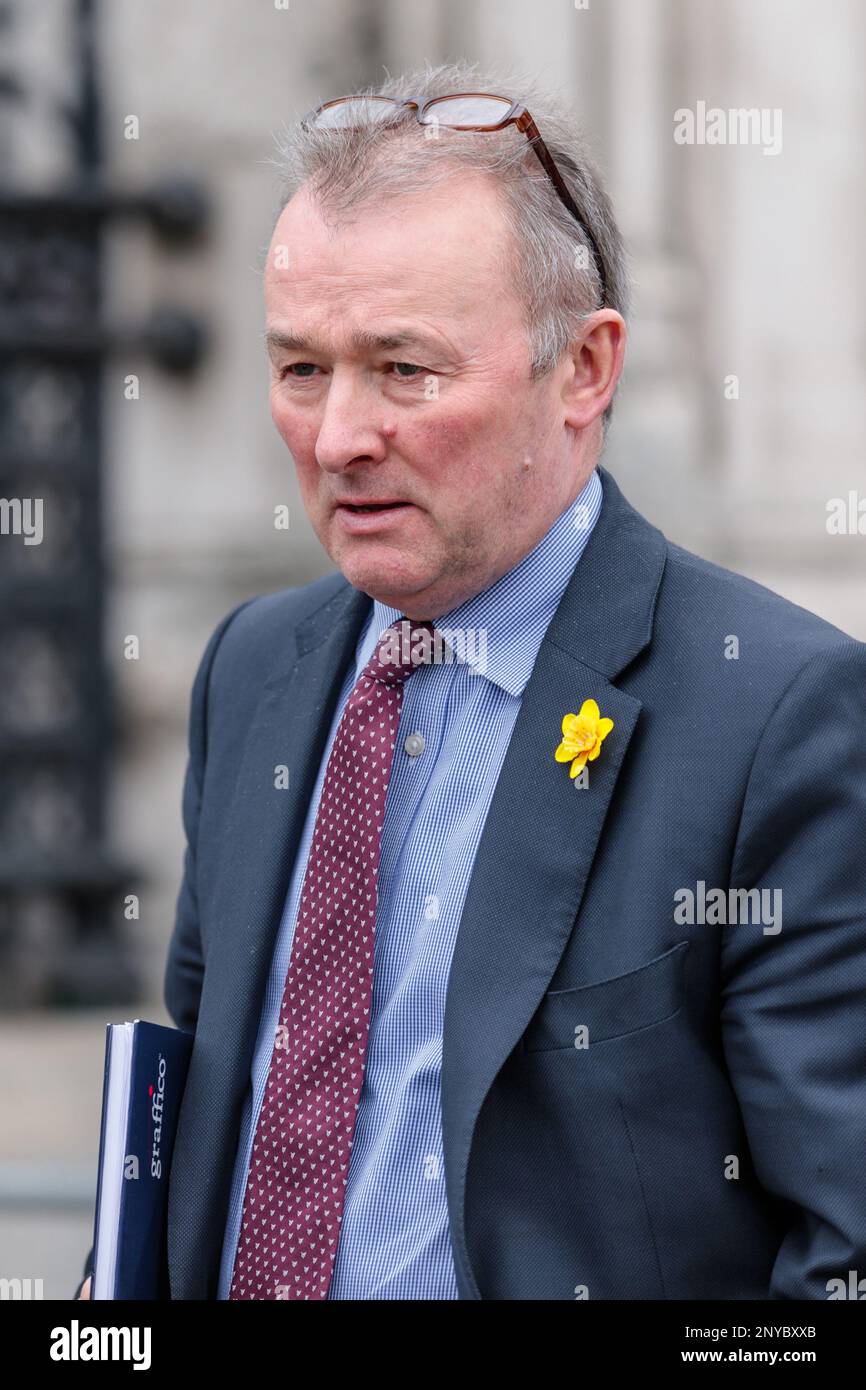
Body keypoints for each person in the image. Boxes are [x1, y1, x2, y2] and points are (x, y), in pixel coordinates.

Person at [76, 59, 866, 1300]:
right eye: (299, 369)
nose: (338, 436)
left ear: (585, 371)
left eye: (405, 370)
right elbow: (189, 1133)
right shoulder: (254, 671)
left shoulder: (780, 719)